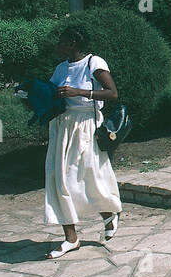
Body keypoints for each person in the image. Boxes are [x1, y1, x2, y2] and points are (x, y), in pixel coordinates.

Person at [43, 26, 123, 259]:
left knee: (90, 174)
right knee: (60, 179)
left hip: (87, 124)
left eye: (63, 42)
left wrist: (78, 92)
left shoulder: (93, 62)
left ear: (73, 43)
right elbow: (52, 93)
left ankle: (109, 213)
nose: (59, 46)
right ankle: (71, 238)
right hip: (63, 126)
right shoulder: (61, 68)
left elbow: (112, 93)